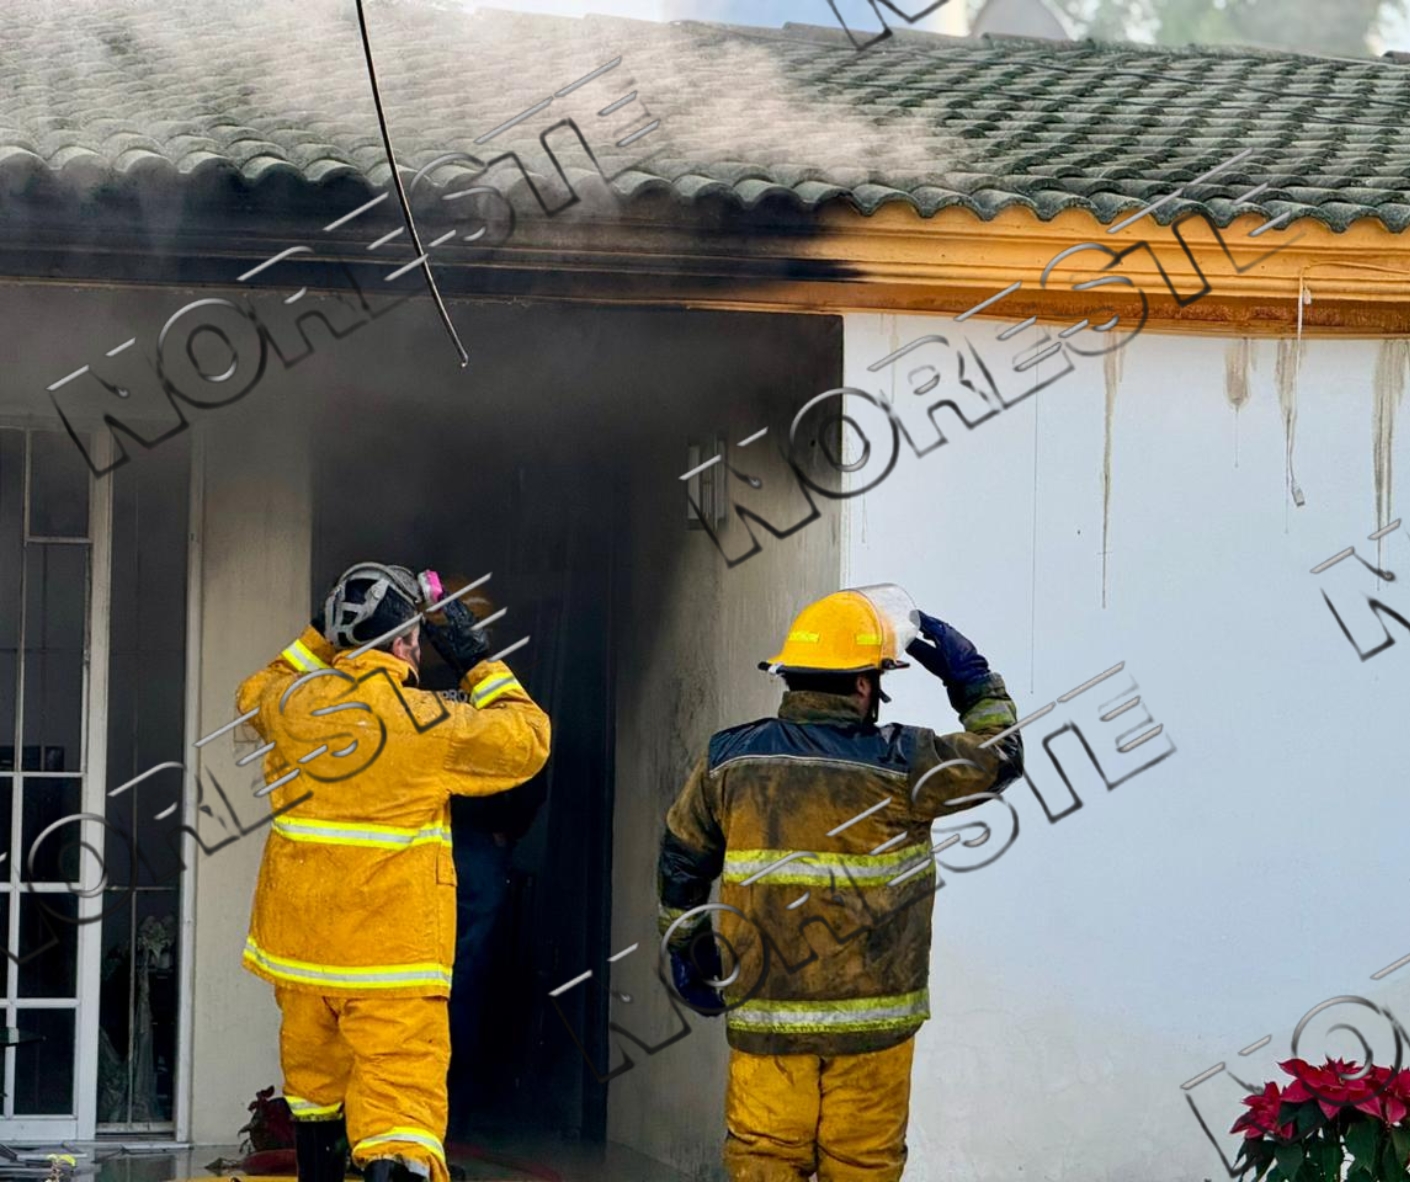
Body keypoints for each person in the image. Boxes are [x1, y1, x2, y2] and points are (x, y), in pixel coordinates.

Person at [656, 589, 1024, 1182]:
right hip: (874, 1032)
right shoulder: (908, 763)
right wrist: (972, 681)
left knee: (763, 1163)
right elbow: (1001, 754)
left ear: (790, 678)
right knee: (862, 1168)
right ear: (862, 686)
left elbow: (682, 859)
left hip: (768, 1026)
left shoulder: (728, 761)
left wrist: (687, 948)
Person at [238, 563, 551, 1182]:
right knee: (399, 1123)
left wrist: (325, 634)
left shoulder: (294, 706)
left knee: (314, 1098)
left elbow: (256, 687)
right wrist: (474, 658)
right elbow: (529, 738)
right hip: (392, 962)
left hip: (301, 959)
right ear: (409, 642)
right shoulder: (430, 722)